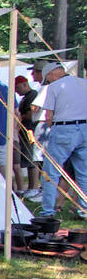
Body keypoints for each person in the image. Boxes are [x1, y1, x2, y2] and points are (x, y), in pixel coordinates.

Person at [31, 59, 87, 219]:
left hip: (63, 129)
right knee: (83, 172)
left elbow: (49, 116)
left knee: (51, 171)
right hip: (85, 128)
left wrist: (52, 129)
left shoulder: (53, 87)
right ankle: (84, 210)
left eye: (47, 78)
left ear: (51, 74)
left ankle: (48, 211)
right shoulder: (84, 83)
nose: (47, 81)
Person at [13, 75, 41, 195]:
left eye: (17, 88)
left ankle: (34, 187)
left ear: (25, 84)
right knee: (29, 158)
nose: (16, 91)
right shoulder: (25, 98)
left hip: (31, 131)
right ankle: (30, 187)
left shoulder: (32, 95)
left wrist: (20, 117)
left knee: (32, 159)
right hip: (25, 132)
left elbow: (32, 114)